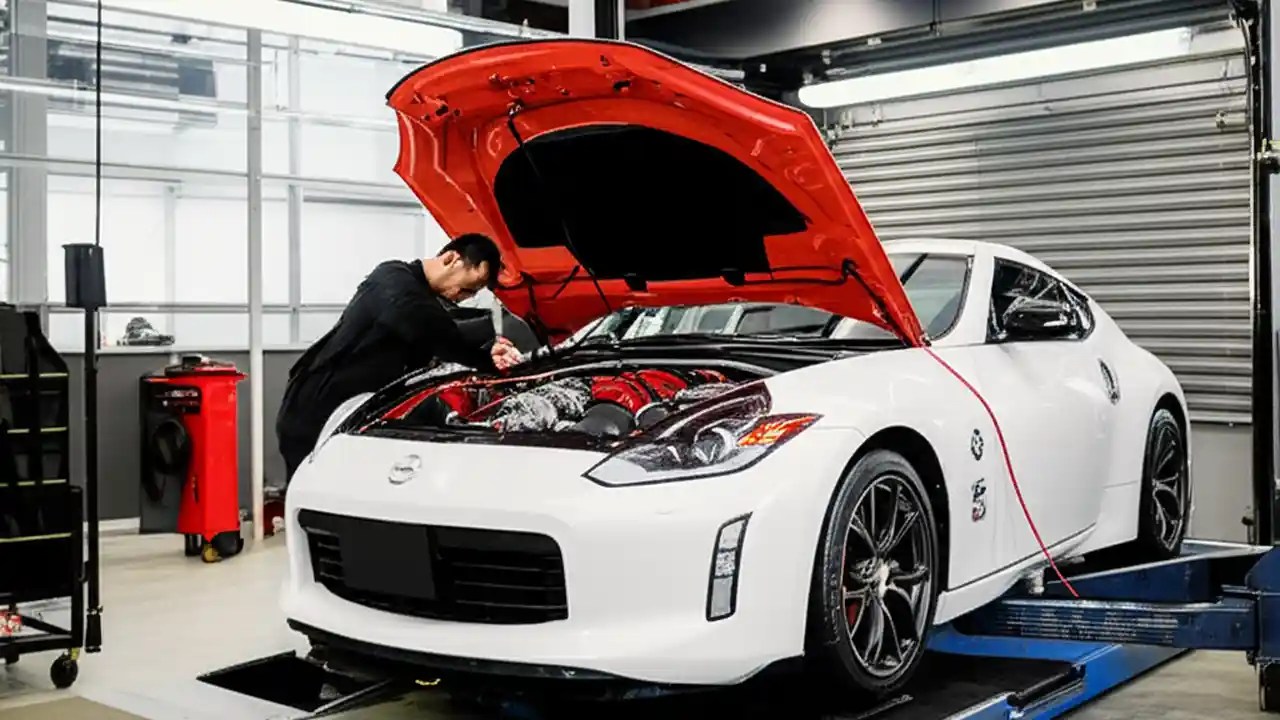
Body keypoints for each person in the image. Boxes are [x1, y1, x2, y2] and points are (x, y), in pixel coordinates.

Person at [275, 233, 524, 483]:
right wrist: (486, 358)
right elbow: (434, 328)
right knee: (318, 502)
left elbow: (440, 328)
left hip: (350, 415)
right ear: (451, 259)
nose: (466, 296)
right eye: (467, 287)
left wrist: (488, 349)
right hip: (313, 412)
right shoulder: (392, 278)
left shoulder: (421, 301)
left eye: (474, 292)